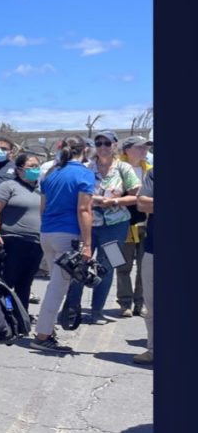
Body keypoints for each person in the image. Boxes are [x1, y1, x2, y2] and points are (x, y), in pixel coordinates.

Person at [65, 131, 139, 325]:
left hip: (116, 226)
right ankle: (73, 309)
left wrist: (115, 200)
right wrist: (97, 200)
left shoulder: (124, 168)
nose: (103, 147)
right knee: (80, 264)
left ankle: (97, 311)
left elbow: (136, 195)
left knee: (108, 266)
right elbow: (75, 194)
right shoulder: (86, 168)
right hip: (88, 224)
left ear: (115, 145)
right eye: (99, 143)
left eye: (107, 143)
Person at [30, 136, 95, 353]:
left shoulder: (51, 172)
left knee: (55, 283)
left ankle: (45, 329)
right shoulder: (84, 173)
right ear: (84, 150)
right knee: (58, 287)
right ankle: (42, 335)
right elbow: (84, 210)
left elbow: (43, 207)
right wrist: (87, 243)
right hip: (68, 234)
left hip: (47, 231)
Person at [0, 153, 44, 313]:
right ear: (19, 170)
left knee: (25, 283)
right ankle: (5, 315)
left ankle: (21, 318)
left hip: (35, 243)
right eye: (30, 166)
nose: (35, 169)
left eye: (37, 166)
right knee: (7, 283)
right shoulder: (9, 186)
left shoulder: (40, 190)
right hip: (12, 242)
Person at [116, 135, 153, 318]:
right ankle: (124, 303)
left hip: (145, 223)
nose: (144, 151)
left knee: (143, 266)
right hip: (122, 224)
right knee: (122, 265)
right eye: (140, 147)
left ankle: (141, 302)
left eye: (146, 148)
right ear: (127, 150)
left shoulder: (150, 170)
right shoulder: (117, 168)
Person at [132, 168, 154, 365]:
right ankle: (127, 303)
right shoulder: (154, 173)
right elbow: (142, 202)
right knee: (121, 268)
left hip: (119, 229)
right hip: (125, 233)